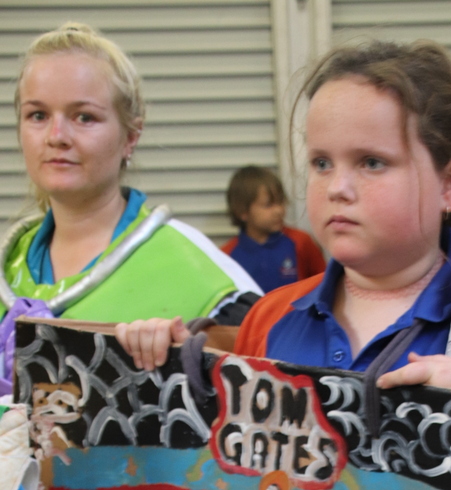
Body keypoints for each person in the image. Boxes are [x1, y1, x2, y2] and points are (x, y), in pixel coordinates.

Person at [117, 40, 451, 417]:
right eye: (320, 162)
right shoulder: (270, 320)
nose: (338, 186)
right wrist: (162, 369)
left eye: (372, 163)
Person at [0, 22, 261, 386]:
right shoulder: (8, 267)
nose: (56, 136)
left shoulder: (201, 273)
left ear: (130, 137)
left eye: (84, 117)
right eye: (38, 115)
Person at [221, 165, 326, 293]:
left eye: (281, 202)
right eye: (268, 205)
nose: (279, 210)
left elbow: (325, 286)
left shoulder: (301, 242)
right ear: (242, 211)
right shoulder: (226, 257)